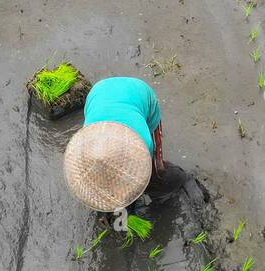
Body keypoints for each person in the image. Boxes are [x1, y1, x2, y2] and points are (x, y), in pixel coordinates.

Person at [63, 75, 184, 216]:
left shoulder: (143, 141)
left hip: (139, 92)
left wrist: (130, 199)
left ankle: (159, 169)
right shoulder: (86, 142)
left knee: (157, 165)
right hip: (97, 94)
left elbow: (143, 167)